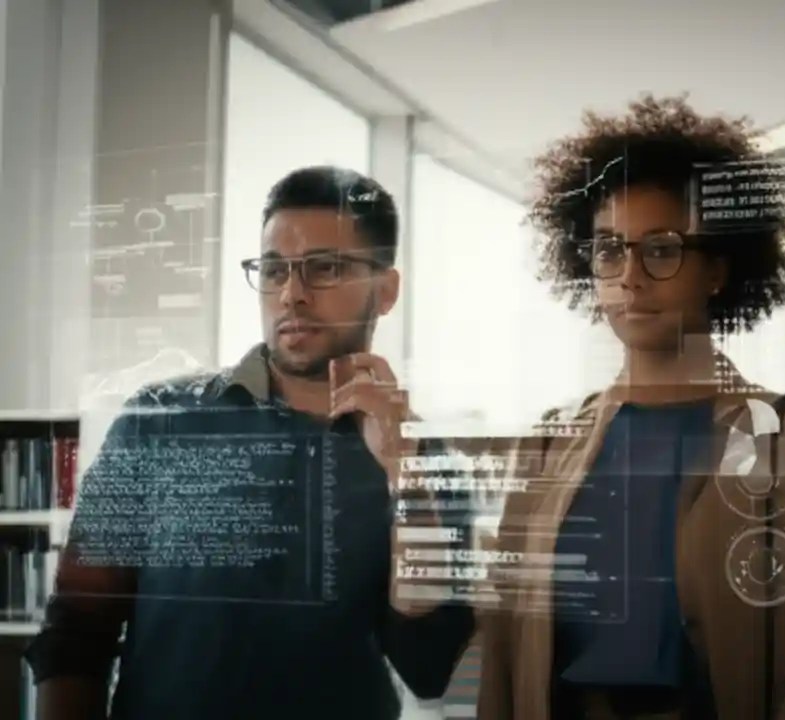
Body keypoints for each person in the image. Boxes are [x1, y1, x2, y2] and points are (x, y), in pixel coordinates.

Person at [25, 166, 473, 719]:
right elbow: (77, 627)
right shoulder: (159, 421)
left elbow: (428, 665)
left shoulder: (427, 460)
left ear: (385, 291)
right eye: (274, 269)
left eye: (324, 269)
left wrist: (405, 476)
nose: (292, 294)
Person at [474, 95, 785, 719]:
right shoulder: (550, 441)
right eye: (610, 250)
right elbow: (505, 650)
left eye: (663, 249)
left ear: (717, 270)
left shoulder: (779, 431)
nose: (631, 276)